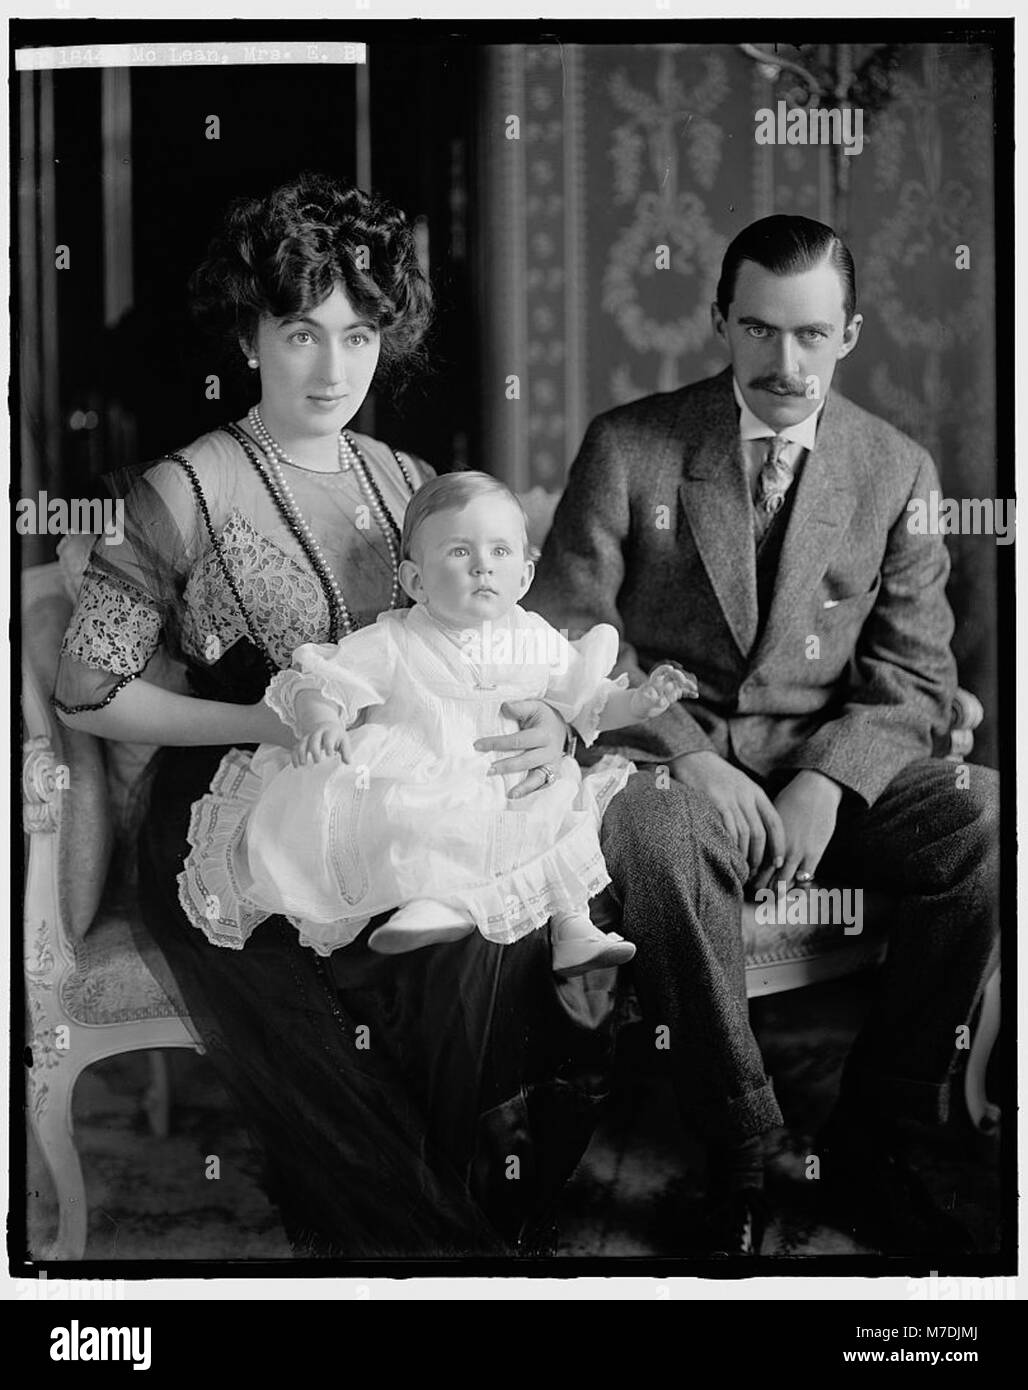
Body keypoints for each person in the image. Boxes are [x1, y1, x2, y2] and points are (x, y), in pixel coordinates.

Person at [53, 172, 618, 1258]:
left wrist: (554, 724)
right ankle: (431, 1224)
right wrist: (264, 727)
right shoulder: (184, 489)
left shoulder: (406, 475)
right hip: (233, 808)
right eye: (300, 331)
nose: (330, 368)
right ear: (249, 329)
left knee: (535, 892)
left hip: (407, 779)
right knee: (427, 966)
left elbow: (483, 645)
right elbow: (92, 690)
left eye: (358, 336)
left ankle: (491, 1179)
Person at [529, 214, 999, 1258]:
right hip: (670, 758)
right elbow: (565, 637)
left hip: (817, 760)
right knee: (652, 831)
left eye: (808, 334)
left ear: (848, 332)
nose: (783, 363)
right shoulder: (629, 445)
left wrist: (826, 783)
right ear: (720, 325)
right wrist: (689, 751)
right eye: (757, 332)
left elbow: (916, 673)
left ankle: (877, 1141)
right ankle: (739, 1152)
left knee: (976, 814)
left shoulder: (896, 470)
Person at [178, 470, 695, 975]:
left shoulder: (534, 637)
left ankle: (572, 927)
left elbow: (589, 702)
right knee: (415, 818)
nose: (482, 568)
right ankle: (430, 908)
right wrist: (322, 720)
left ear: (524, 576)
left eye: (499, 552)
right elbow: (324, 678)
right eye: (459, 552)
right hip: (427, 771)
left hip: (514, 781)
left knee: (562, 811)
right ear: (416, 581)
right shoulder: (395, 640)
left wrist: (643, 702)